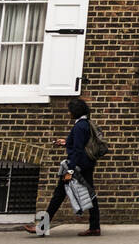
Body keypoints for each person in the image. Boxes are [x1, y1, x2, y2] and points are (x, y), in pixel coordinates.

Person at [25, 97, 101, 236]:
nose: (68, 113)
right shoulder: (87, 124)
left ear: (74, 112)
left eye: (70, 111)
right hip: (86, 164)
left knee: (59, 194)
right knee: (90, 195)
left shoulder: (79, 127)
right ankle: (95, 226)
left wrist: (70, 171)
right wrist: (66, 143)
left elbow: (78, 150)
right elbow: (83, 145)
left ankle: (42, 228)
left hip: (76, 167)